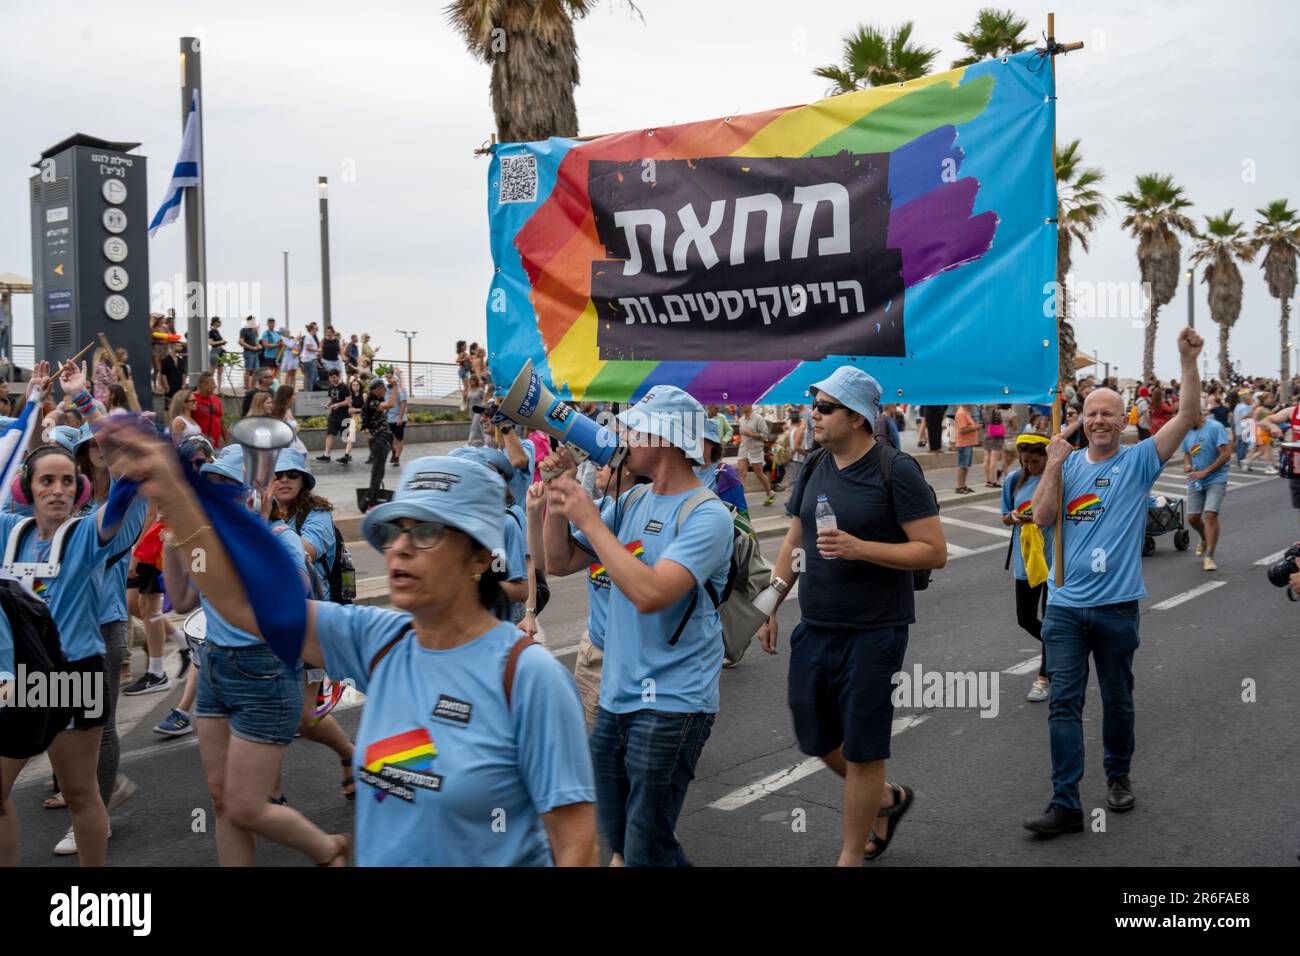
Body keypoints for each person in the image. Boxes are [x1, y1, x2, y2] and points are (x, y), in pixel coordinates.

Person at [110, 437, 598, 866]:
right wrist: (174, 498)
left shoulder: (528, 677)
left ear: (478, 558)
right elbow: (243, 608)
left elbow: (575, 845)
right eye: (394, 532)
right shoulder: (378, 639)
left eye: (426, 532)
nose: (400, 548)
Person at [756, 366, 946, 866]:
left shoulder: (896, 469)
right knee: (813, 733)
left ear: (857, 418)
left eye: (824, 408)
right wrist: (769, 605)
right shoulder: (816, 464)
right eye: (813, 406)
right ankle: (885, 799)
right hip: (815, 628)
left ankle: (849, 857)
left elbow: (933, 551)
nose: (812, 415)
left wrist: (863, 548)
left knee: (863, 748)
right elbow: (794, 541)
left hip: (874, 632)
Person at [1023, 327, 1204, 838]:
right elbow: (1041, 517)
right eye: (1091, 413)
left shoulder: (1138, 460)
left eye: (1108, 413)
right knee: (1063, 704)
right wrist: (1053, 467)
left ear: (1124, 420)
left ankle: (1118, 774)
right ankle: (1065, 803)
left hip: (1117, 607)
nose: (1099, 420)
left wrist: (1187, 361)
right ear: (1080, 419)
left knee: (1118, 699)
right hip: (1063, 608)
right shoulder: (1065, 461)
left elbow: (1188, 417)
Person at [542, 386, 733, 866]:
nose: (623, 437)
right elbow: (559, 560)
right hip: (616, 696)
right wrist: (558, 497)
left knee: (647, 845)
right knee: (627, 842)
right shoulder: (632, 501)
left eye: (634, 427)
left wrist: (593, 520)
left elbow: (651, 594)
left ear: (665, 437)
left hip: (673, 701)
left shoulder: (707, 515)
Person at [0, 361, 148, 867]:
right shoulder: (7, 531)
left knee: (83, 795)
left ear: (79, 487)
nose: (59, 489)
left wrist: (85, 400)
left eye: (68, 480)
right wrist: (33, 405)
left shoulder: (87, 533)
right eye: (47, 481)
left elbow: (128, 473)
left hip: (74, 673)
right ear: (30, 487)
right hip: (21, 678)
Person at [268, 449, 356, 799]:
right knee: (270, 713)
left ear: (304, 480)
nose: (285, 479)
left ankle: (350, 753)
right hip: (268, 627)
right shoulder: (258, 514)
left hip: (311, 626)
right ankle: (270, 797)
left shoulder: (315, 516)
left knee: (304, 719)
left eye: (292, 473)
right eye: (277, 474)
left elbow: (304, 551)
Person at [1001, 434, 1053, 702]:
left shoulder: (1057, 478)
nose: (1030, 466)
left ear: (1046, 457)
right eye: (1025, 462)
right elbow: (1004, 517)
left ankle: (1043, 678)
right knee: (1025, 618)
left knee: (1051, 619)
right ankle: (1059, 645)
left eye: (1035, 461)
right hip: (1026, 560)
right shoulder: (1013, 480)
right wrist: (1012, 517)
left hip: (1055, 561)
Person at [1180, 407, 1232, 571]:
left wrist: (1206, 472)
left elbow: (1226, 454)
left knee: (1210, 514)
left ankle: (1209, 555)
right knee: (1192, 518)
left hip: (1216, 477)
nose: (1187, 422)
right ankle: (1204, 537)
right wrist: (1187, 464)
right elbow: (1186, 453)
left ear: (1198, 414)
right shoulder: (1186, 431)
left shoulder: (1215, 427)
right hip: (1196, 478)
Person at [360, 378, 396, 511]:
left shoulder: (372, 402)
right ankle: (371, 503)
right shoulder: (373, 402)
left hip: (380, 441)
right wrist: (395, 387)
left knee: (377, 472)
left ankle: (371, 500)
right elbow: (392, 404)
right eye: (384, 389)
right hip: (380, 441)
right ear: (378, 389)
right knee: (377, 473)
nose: (385, 391)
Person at [737, 403, 775, 506]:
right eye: (739, 405)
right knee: (741, 473)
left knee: (759, 474)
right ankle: (738, 499)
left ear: (749, 404)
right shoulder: (741, 420)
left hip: (756, 450)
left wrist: (751, 434)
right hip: (743, 449)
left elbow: (765, 436)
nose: (740, 406)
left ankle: (769, 493)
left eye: (742, 404)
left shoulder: (758, 418)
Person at [317, 369, 352, 464]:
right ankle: (326, 455)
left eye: (334, 377)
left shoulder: (344, 387)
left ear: (338, 376)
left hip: (344, 414)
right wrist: (327, 405)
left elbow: (348, 401)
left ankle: (347, 455)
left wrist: (338, 405)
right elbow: (332, 400)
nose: (332, 379)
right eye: (331, 377)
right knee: (330, 433)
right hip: (333, 414)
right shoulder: (331, 387)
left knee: (347, 435)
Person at [192, 372, 228, 449]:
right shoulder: (192, 399)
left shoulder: (216, 399)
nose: (215, 386)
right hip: (199, 447)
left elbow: (222, 423)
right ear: (203, 385)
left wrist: (227, 443)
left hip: (216, 446)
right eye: (212, 384)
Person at [953, 403, 979, 494]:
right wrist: (976, 427)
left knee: (966, 466)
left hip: (968, 443)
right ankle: (960, 486)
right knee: (962, 465)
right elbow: (962, 430)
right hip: (964, 443)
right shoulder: (961, 413)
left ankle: (963, 485)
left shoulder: (966, 412)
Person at [386, 370, 408, 466]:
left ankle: (397, 458)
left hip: (398, 419)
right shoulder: (386, 389)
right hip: (388, 418)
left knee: (399, 439)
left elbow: (403, 404)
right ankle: (394, 452)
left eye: (390, 377)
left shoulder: (401, 389)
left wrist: (400, 418)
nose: (389, 379)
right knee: (388, 439)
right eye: (387, 377)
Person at [258, 319, 284, 383]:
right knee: (268, 375)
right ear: (267, 324)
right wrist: (277, 345)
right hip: (269, 358)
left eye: (273, 323)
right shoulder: (266, 333)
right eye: (270, 323)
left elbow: (283, 343)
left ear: (275, 324)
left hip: (277, 358)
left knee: (276, 376)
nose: (271, 324)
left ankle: (274, 389)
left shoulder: (278, 333)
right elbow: (265, 345)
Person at [239, 317, 260, 393]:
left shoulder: (254, 331)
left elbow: (256, 341)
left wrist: (258, 346)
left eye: (254, 321)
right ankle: (247, 389)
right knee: (248, 370)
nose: (253, 322)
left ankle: (253, 388)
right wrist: (251, 347)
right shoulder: (244, 330)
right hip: (248, 352)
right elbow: (241, 342)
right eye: (252, 321)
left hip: (255, 353)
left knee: (256, 371)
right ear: (248, 322)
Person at [300, 323, 320, 394]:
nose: (316, 330)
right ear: (312, 329)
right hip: (308, 360)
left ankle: (308, 392)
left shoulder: (310, 337)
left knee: (313, 377)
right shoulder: (309, 337)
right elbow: (307, 348)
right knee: (310, 378)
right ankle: (308, 393)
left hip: (310, 359)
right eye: (315, 329)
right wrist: (317, 350)